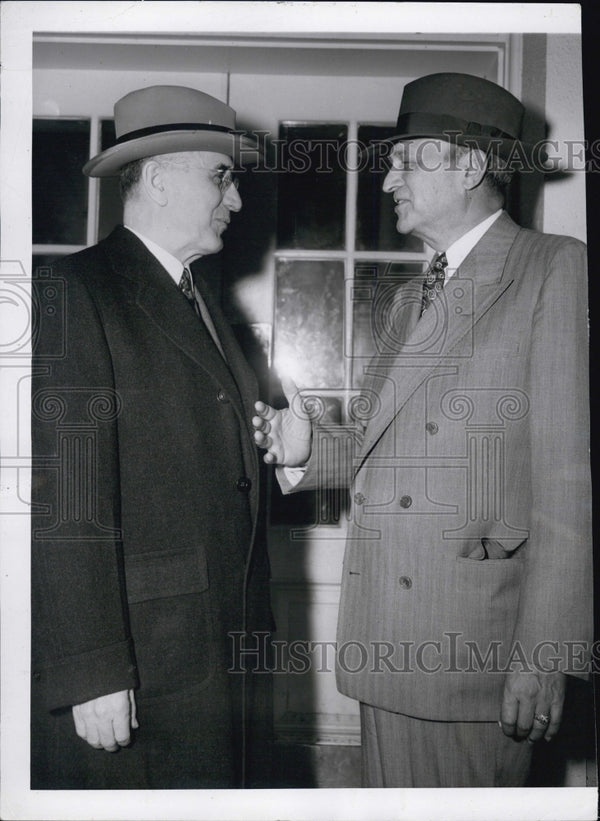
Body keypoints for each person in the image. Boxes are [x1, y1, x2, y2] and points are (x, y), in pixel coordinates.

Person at [253, 73, 592, 787]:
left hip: (472, 655)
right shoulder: (413, 295)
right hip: (386, 643)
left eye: (409, 160)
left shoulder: (551, 269)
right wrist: (308, 447)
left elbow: (569, 483)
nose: (388, 182)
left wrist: (546, 652)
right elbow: (383, 447)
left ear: (470, 166)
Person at [31, 85, 272, 788]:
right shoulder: (77, 290)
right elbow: (69, 497)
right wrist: (93, 666)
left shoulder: (199, 300)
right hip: (143, 666)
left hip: (215, 656)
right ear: (161, 176)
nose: (236, 200)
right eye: (221, 176)